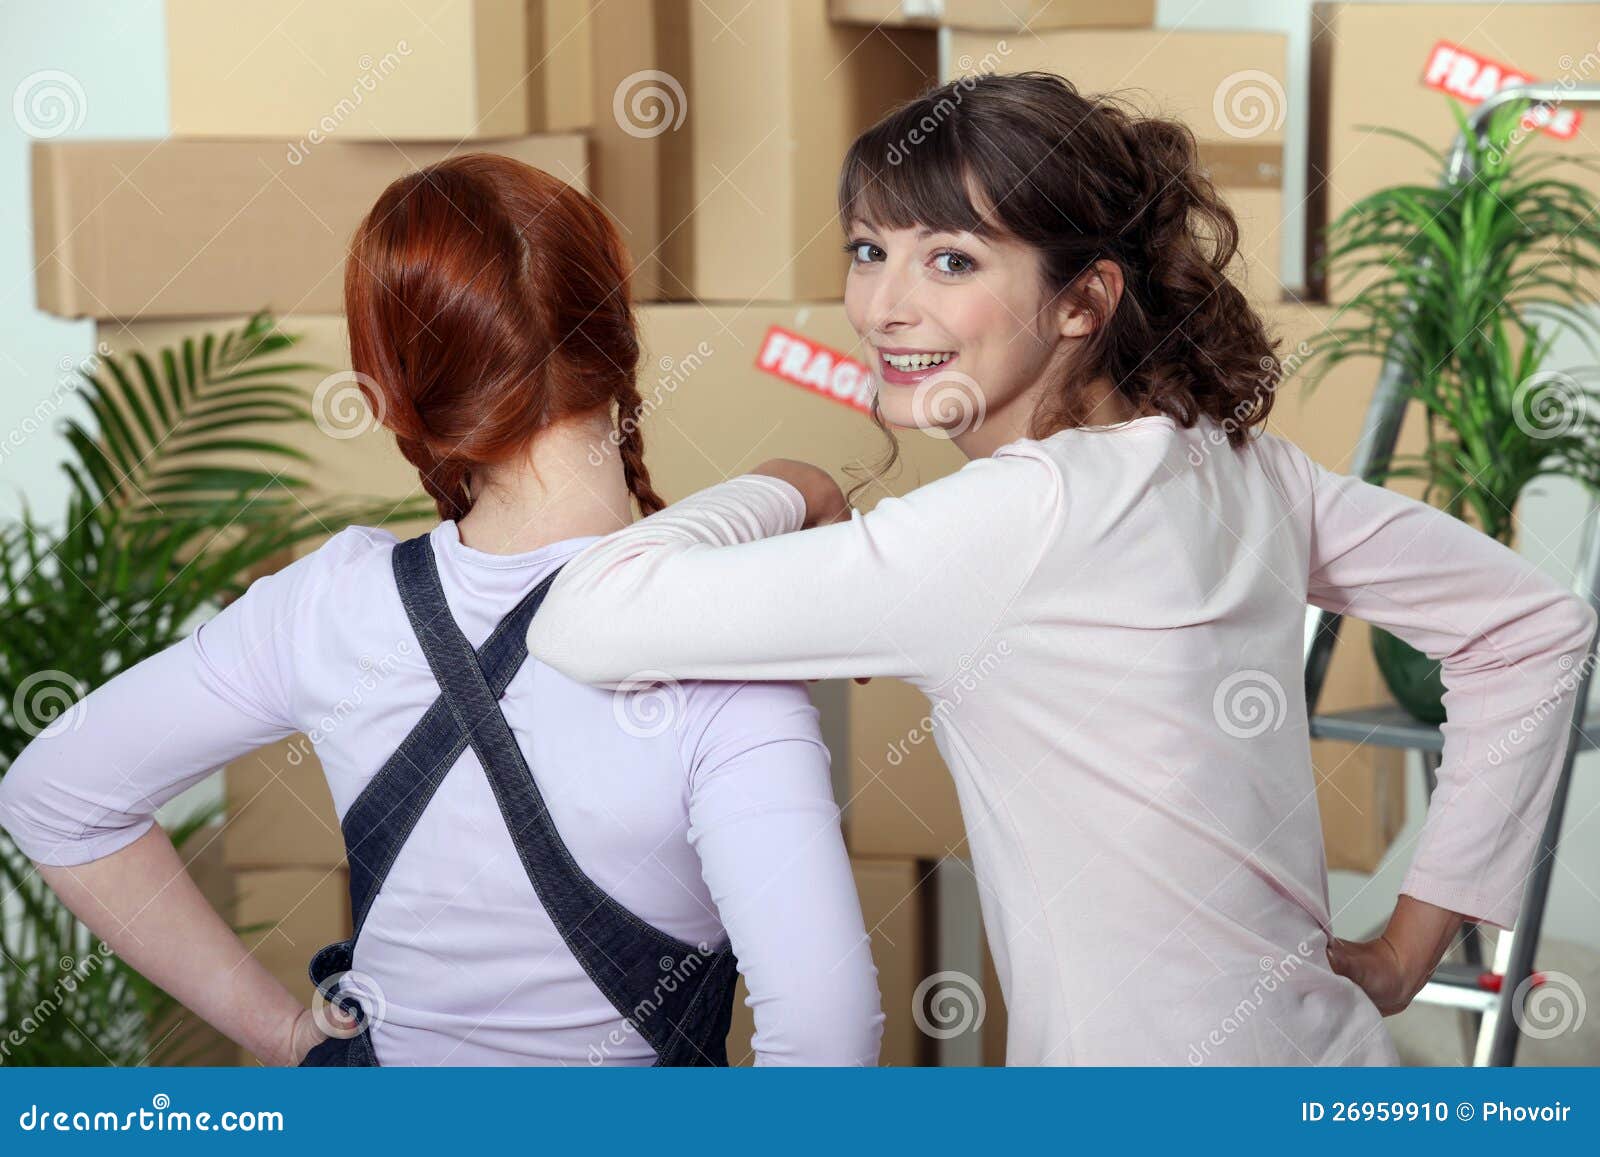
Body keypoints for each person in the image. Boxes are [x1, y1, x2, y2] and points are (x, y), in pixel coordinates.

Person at [524, 73, 1599, 1065]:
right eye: (866, 249)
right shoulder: (1242, 467)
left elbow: (585, 617)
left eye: (950, 259)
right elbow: (1533, 624)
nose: (883, 306)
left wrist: (787, 484)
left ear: (1083, 300)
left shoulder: (1004, 522)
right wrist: (1410, 948)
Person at [0, 154, 882, 1067]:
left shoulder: (328, 605)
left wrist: (290, 1037)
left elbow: (53, 800)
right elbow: (824, 1036)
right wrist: (790, 482)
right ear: (620, 336)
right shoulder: (720, 639)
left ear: (396, 392)